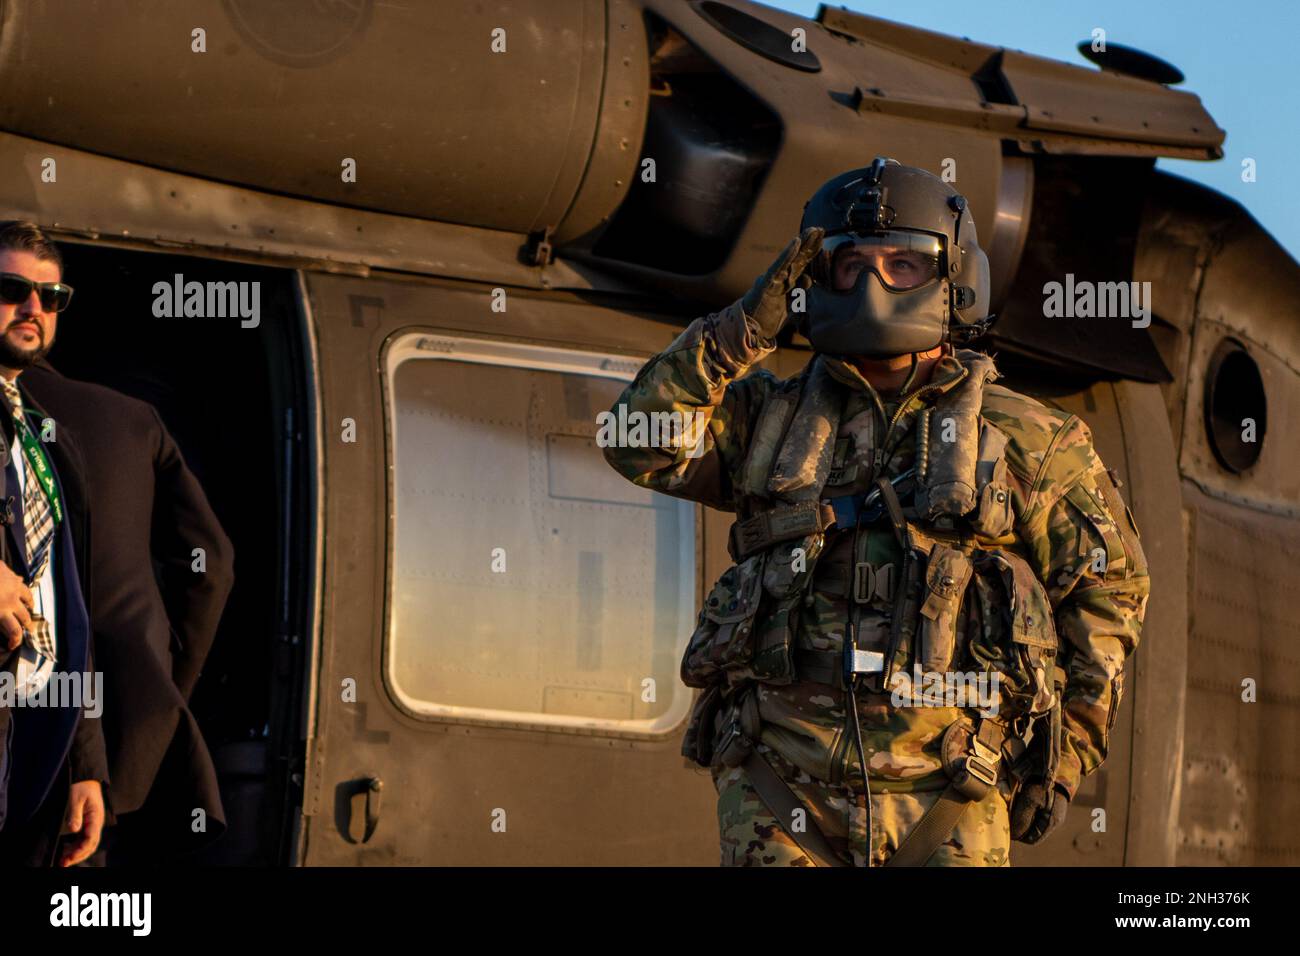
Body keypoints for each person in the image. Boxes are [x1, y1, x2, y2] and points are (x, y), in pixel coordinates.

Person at [603, 158, 1150, 866]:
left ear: (955, 279)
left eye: (903, 265)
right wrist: (738, 332)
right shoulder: (765, 416)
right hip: (779, 793)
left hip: (950, 793)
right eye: (847, 264)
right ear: (811, 279)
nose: (871, 284)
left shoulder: (1029, 441)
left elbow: (1109, 587)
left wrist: (1069, 748)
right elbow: (633, 442)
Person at [23, 358, 234, 862]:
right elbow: (212, 566)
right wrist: (162, 687)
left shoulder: (23, 415)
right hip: (117, 736)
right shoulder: (131, 419)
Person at [0, 220, 108, 867]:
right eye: (11, 288)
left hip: (31, 757)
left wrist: (85, 762)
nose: (34, 308)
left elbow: (70, 611)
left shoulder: (45, 435)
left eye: (51, 295)